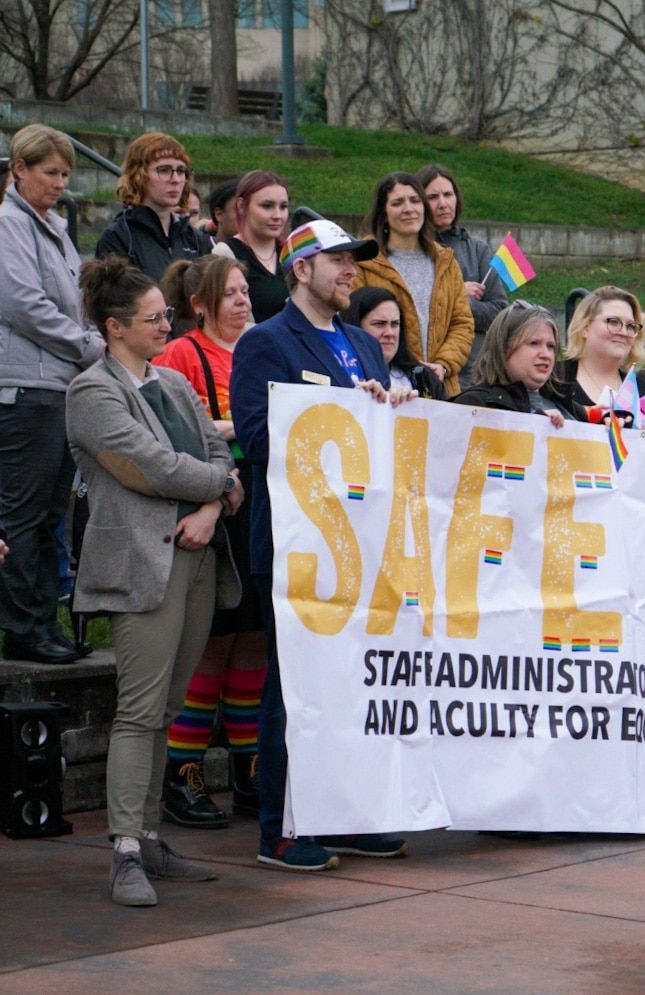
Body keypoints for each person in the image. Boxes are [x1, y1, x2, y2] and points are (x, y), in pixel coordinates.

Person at [231, 219, 414, 872]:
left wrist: (390, 405)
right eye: (338, 260)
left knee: (350, 686)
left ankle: (342, 814)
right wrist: (339, 416)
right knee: (295, 691)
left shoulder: (365, 346)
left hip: (362, 546)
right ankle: (279, 826)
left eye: (355, 260)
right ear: (299, 269)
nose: (351, 271)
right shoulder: (264, 343)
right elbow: (255, 437)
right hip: (295, 546)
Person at [68, 256, 242, 906]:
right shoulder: (91, 392)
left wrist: (208, 505)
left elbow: (218, 450)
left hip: (196, 556)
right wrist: (220, 488)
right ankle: (125, 849)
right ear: (115, 327)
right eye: (153, 318)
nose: (165, 323)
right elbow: (151, 466)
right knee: (140, 710)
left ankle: (149, 834)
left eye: (165, 315)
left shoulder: (172, 385)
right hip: (144, 564)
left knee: (167, 708)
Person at [156, 255, 267, 828]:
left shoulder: (259, 348)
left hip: (261, 511)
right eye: (231, 294)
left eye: (247, 291)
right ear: (200, 305)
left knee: (252, 640)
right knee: (210, 642)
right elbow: (181, 437)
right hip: (215, 509)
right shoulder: (182, 354)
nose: (244, 302)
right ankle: (184, 773)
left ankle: (250, 773)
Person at [0, 124, 106, 665]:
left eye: (65, 173)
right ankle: (21, 628)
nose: (60, 182)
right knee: (23, 514)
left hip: (58, 386)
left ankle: (43, 621)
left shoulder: (54, 227)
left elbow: (73, 300)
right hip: (28, 388)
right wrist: (89, 345)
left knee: (49, 516)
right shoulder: (8, 225)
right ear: (19, 169)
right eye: (49, 172)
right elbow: (23, 304)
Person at [353, 171, 473, 398]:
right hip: (385, 388)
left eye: (415, 200)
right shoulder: (363, 260)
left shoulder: (445, 261)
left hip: (442, 389)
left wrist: (443, 364)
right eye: (398, 203)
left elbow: (462, 323)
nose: (409, 209)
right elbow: (353, 323)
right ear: (384, 213)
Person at [415, 164, 507, 389]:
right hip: (425, 370)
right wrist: (455, 291)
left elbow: (498, 313)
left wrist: (460, 303)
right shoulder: (411, 249)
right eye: (433, 197)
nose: (443, 204)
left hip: (473, 376)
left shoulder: (478, 250)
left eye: (448, 195)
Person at [94, 133, 214, 279]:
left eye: (181, 171)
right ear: (139, 175)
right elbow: (114, 299)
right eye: (164, 170)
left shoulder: (196, 239)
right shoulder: (118, 238)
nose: (175, 179)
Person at [452, 301, 581, 425]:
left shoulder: (568, 407)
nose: (546, 354)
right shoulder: (473, 404)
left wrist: (599, 422)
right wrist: (533, 426)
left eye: (551, 346)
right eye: (534, 343)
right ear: (503, 348)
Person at [342, 287, 447, 400]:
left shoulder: (423, 379)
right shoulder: (340, 377)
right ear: (354, 326)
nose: (389, 333)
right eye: (379, 324)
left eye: (395, 324)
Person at [556, 286, 645, 406]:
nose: (623, 332)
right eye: (613, 322)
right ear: (585, 327)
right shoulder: (554, 381)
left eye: (631, 326)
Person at [214, 171, 290, 325]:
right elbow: (226, 322)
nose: (278, 215)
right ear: (242, 206)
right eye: (267, 206)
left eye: (283, 207)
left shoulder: (293, 253)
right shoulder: (225, 255)